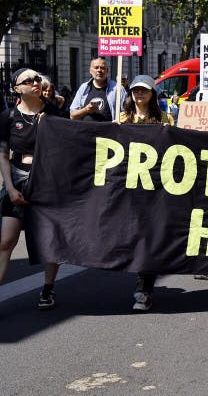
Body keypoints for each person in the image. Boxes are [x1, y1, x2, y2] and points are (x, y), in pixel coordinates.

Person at [0, 68, 68, 309]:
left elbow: (69, 146)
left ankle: (48, 289)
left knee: (49, 240)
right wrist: (9, 188)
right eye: (27, 81)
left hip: (46, 180)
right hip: (17, 178)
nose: (35, 83)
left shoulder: (54, 112)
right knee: (6, 240)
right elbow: (3, 155)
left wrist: (49, 127)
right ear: (17, 89)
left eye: (37, 79)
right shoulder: (8, 117)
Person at [117, 75, 174, 311]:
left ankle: (144, 288)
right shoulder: (122, 118)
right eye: (135, 91)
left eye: (144, 90)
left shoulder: (165, 118)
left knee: (149, 237)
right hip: (129, 187)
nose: (139, 94)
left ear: (152, 94)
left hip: (155, 188)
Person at [69, 57, 124, 121]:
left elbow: (127, 113)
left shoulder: (118, 89)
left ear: (107, 70)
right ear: (90, 71)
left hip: (108, 130)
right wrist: (86, 110)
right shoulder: (83, 88)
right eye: (96, 68)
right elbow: (72, 116)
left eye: (102, 68)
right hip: (86, 130)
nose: (99, 70)